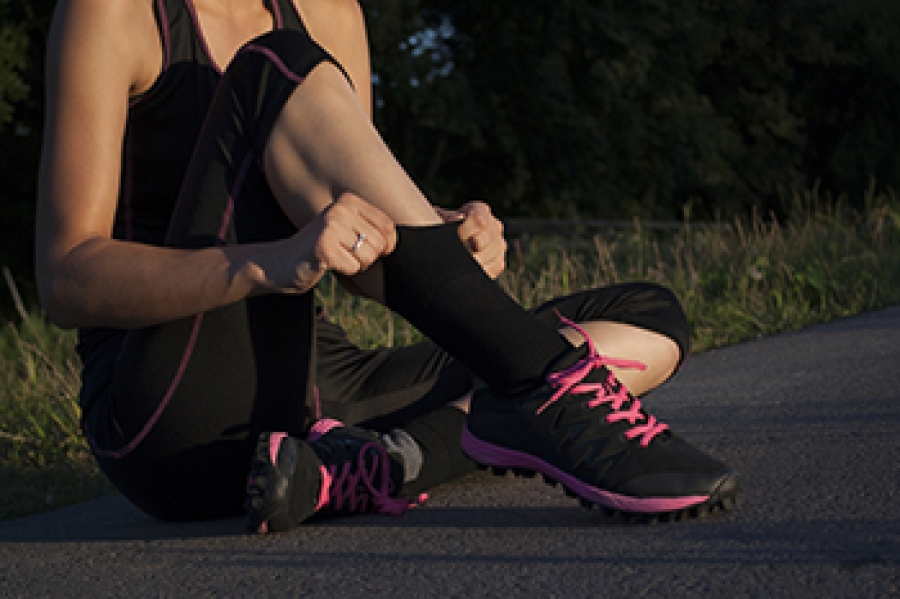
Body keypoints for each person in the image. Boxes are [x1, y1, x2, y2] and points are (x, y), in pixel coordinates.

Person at [36, 0, 738, 533]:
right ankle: (548, 392)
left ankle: (378, 463)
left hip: (316, 390)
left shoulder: (330, 11)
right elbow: (67, 275)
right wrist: (264, 264)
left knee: (650, 317)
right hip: (167, 411)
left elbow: (353, 227)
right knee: (272, 63)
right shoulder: (112, 12)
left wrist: (445, 228)